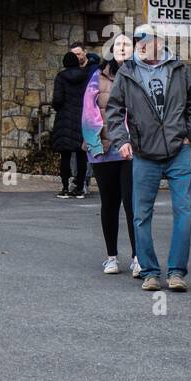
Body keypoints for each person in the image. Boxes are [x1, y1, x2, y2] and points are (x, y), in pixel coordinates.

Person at [106, 24, 191, 293]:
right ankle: (149, 272)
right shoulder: (127, 73)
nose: (140, 43)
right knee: (140, 215)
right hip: (144, 152)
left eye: (145, 38)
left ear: (160, 41)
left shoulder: (179, 70)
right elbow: (114, 110)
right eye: (137, 38)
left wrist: (190, 133)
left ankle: (176, 272)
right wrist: (121, 141)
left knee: (184, 213)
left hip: (178, 151)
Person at [82, 34, 139, 275]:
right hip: (104, 150)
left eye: (127, 44)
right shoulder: (98, 76)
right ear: (111, 50)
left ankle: (138, 257)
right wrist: (95, 146)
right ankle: (112, 257)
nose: (122, 48)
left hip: (132, 151)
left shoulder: (141, 75)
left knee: (132, 204)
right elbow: (88, 112)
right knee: (109, 203)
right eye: (118, 44)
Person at [51, 44, 92, 197]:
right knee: (81, 155)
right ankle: (80, 187)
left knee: (65, 156)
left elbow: (58, 99)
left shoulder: (61, 77)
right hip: (82, 119)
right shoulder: (85, 76)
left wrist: (57, 107)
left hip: (64, 121)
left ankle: (65, 188)